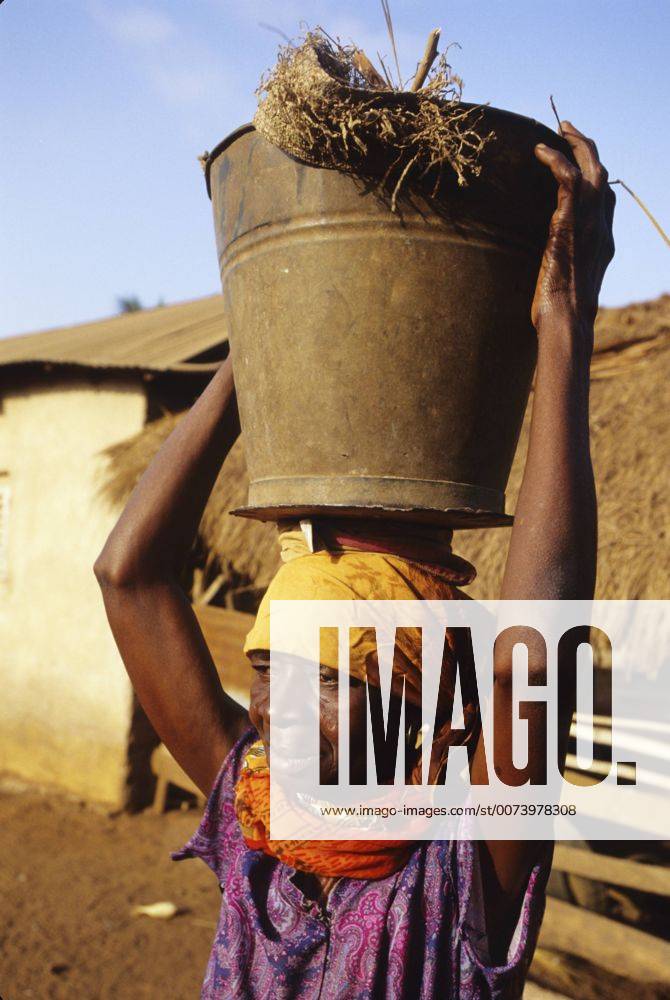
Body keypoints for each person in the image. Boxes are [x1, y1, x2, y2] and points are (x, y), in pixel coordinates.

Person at [94, 123, 615, 999]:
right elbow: (127, 579)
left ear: (414, 716)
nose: (268, 708)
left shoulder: (459, 880)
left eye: (319, 676)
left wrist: (564, 321)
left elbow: (537, 656)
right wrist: (259, 355)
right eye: (266, 669)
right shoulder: (253, 829)